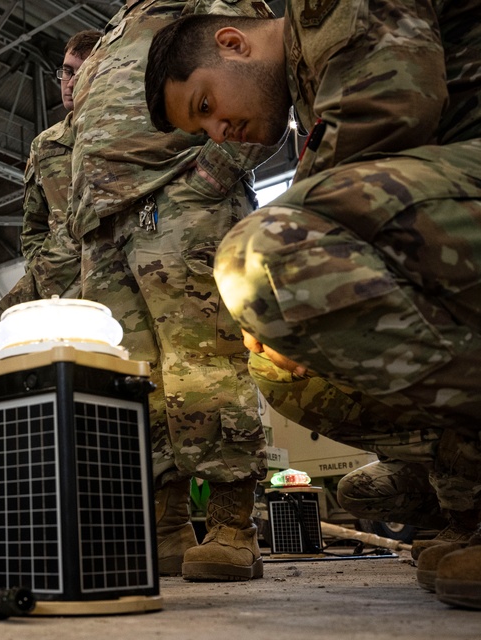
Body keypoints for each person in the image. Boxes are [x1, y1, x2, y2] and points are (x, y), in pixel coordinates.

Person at [144, 1, 481, 608]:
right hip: (455, 207)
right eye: (203, 130)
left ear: (233, 43)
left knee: (258, 259)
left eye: (206, 105)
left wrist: (290, 234)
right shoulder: (309, 89)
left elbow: (392, 108)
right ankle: (464, 485)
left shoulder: (323, 9)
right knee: (282, 369)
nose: (219, 133)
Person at [67, 0, 275, 582]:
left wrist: (214, 174)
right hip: (103, 224)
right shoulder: (118, 27)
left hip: (176, 199)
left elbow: (262, 77)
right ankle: (167, 523)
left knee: (203, 360)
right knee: (134, 380)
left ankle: (234, 524)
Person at [0, 29, 102, 322]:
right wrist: (42, 270)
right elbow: (33, 224)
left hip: (112, 277)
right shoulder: (45, 145)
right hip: (60, 285)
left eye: (81, 72)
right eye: (66, 71)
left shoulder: (124, 132)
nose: (70, 82)